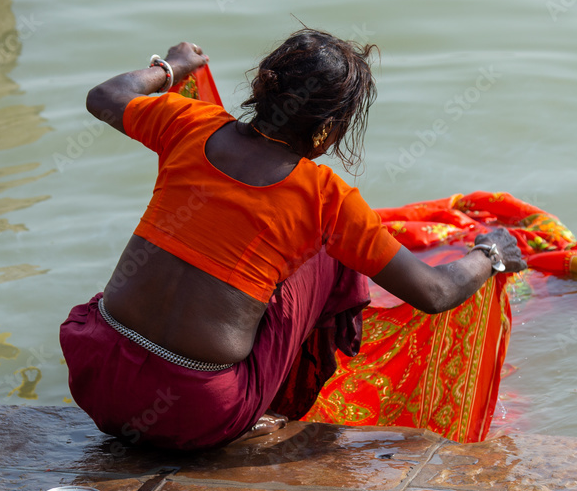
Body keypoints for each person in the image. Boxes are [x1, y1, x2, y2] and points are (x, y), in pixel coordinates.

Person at [59, 29, 526, 451]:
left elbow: (105, 96)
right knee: (330, 255)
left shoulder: (186, 123)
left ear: (262, 87)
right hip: (195, 411)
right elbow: (435, 292)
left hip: (97, 373)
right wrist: (489, 254)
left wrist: (171, 69)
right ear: (329, 128)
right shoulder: (326, 199)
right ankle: (283, 402)